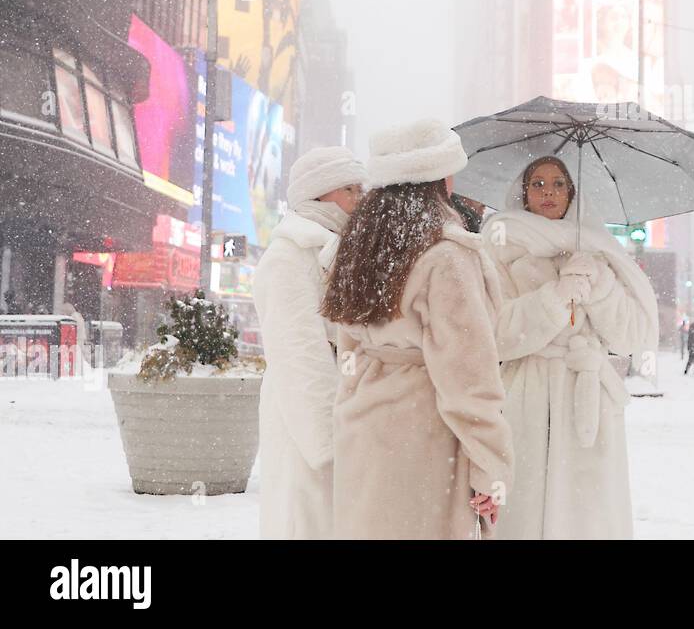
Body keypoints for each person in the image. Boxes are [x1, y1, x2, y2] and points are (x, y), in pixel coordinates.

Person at [323, 119, 513, 539]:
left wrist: (349, 411)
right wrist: (490, 465)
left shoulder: (359, 247)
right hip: (425, 439)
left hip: (365, 432)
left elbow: (348, 349)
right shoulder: (447, 255)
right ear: (438, 176)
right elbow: (468, 375)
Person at [482, 155, 658, 539]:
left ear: (572, 193)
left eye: (559, 183)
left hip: (589, 399)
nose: (549, 192)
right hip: (526, 396)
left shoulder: (597, 250)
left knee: (589, 516)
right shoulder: (499, 246)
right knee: (527, 511)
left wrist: (599, 287)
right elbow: (496, 334)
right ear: (523, 193)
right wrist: (556, 297)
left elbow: (629, 336)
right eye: (538, 183)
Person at [252, 145, 366, 540]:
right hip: (306, 418)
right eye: (349, 189)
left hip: (341, 406)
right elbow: (298, 353)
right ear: (319, 194)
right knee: (303, 519)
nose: (360, 198)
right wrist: (328, 443)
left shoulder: (338, 250)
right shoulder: (289, 256)